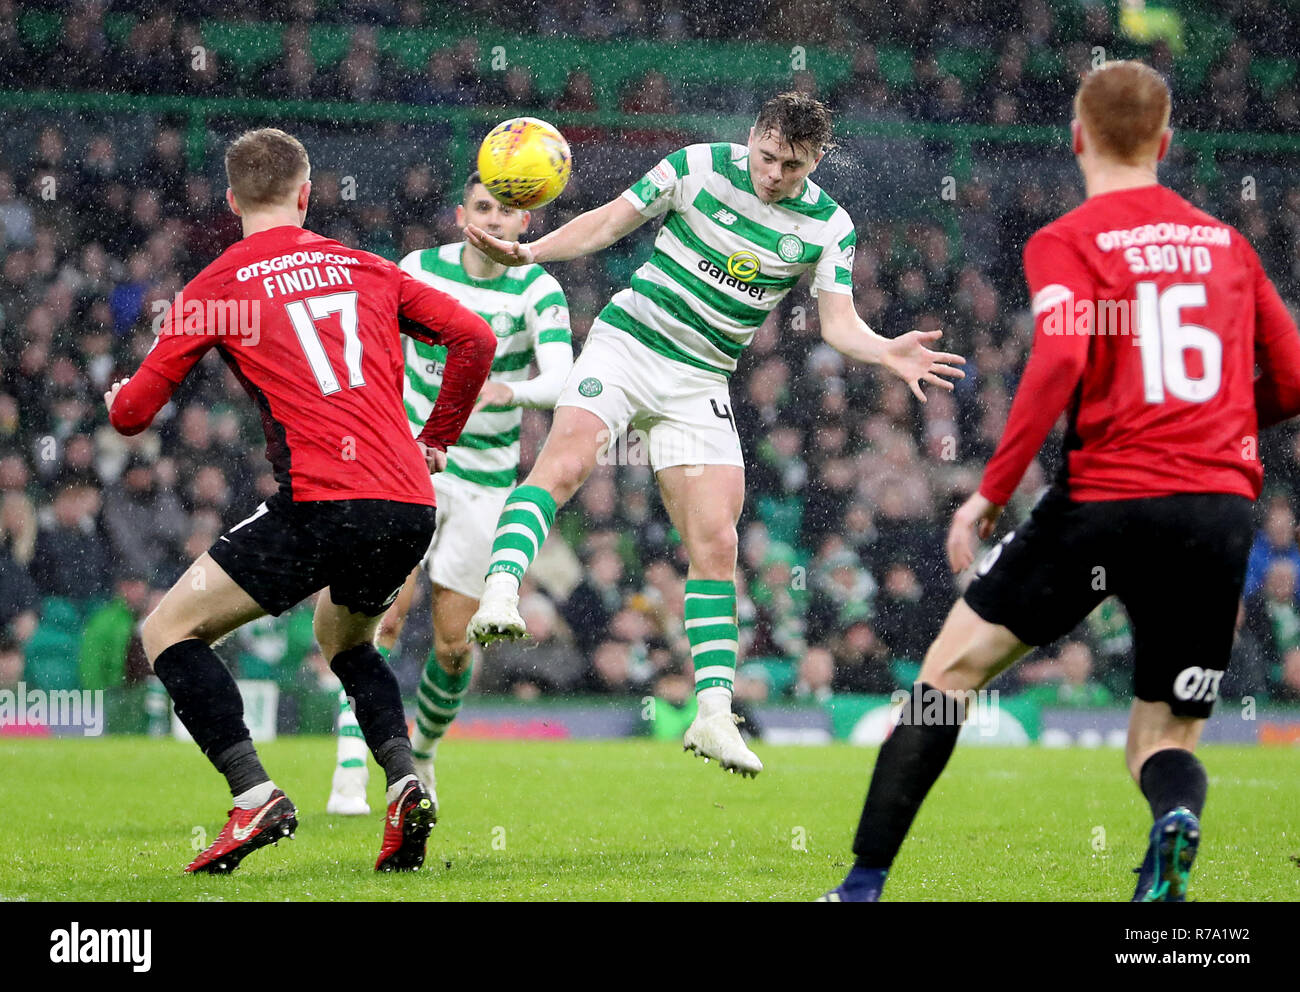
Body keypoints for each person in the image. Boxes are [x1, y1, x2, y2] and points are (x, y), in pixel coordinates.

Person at [822, 61, 1300, 903]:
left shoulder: (1068, 241)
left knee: (946, 681)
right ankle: (1171, 825)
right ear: (1167, 141)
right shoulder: (1229, 245)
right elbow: (1292, 381)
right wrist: (1218, 428)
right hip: (1218, 510)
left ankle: (861, 888)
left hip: (1106, 500)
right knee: (1160, 737)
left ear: (1078, 136)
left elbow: (1065, 354)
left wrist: (989, 489)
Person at [463, 92, 965, 777]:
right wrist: (531, 253)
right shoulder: (698, 166)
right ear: (751, 138)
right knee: (566, 465)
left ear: (817, 159)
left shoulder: (828, 226)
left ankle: (712, 714)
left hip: (699, 379)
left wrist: (884, 350)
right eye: (765, 157)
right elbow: (611, 220)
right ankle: (501, 588)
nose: (772, 175)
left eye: (790, 166)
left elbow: (838, 323)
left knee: (717, 541)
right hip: (628, 344)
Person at [104, 128, 495, 874]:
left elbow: (132, 417)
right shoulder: (365, 265)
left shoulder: (219, 285)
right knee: (347, 641)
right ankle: (406, 781)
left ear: (230, 201)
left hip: (323, 503)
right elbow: (473, 337)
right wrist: (437, 436)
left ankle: (255, 797)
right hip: (409, 504)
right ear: (307, 194)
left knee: (167, 632)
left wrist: (122, 397)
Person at [327, 172, 573, 816]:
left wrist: (509, 391)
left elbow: (562, 380)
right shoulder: (419, 269)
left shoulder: (537, 288)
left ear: (527, 226)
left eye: (508, 212)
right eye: (484, 207)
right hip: (409, 465)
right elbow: (370, 342)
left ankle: (426, 748)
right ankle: (352, 768)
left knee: (454, 647)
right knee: (381, 616)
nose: (493, 220)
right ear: (461, 212)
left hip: (486, 484)